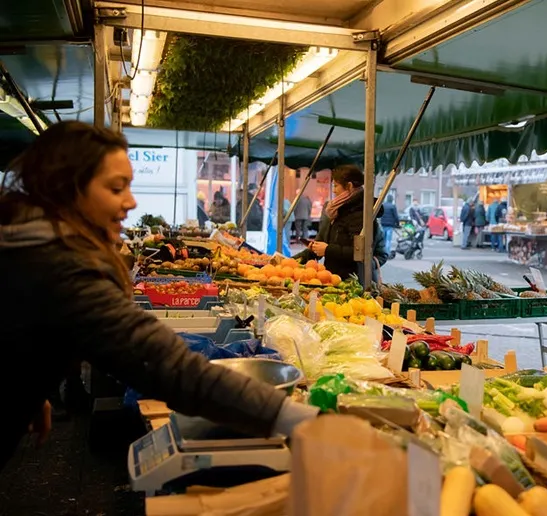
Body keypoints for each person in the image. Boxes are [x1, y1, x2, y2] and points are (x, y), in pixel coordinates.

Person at [0, 122, 318, 470]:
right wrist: (307, 423)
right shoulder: (63, 270)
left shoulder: (24, 241)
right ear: (66, 188)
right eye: (116, 188)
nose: (131, 201)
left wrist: (27, 387)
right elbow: (170, 367)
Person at [293, 165, 388, 284]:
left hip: (353, 283)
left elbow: (360, 252)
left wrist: (327, 250)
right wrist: (291, 261)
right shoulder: (336, 210)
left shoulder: (362, 214)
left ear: (349, 186)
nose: (333, 190)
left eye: (336, 185)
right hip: (333, 280)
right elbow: (319, 243)